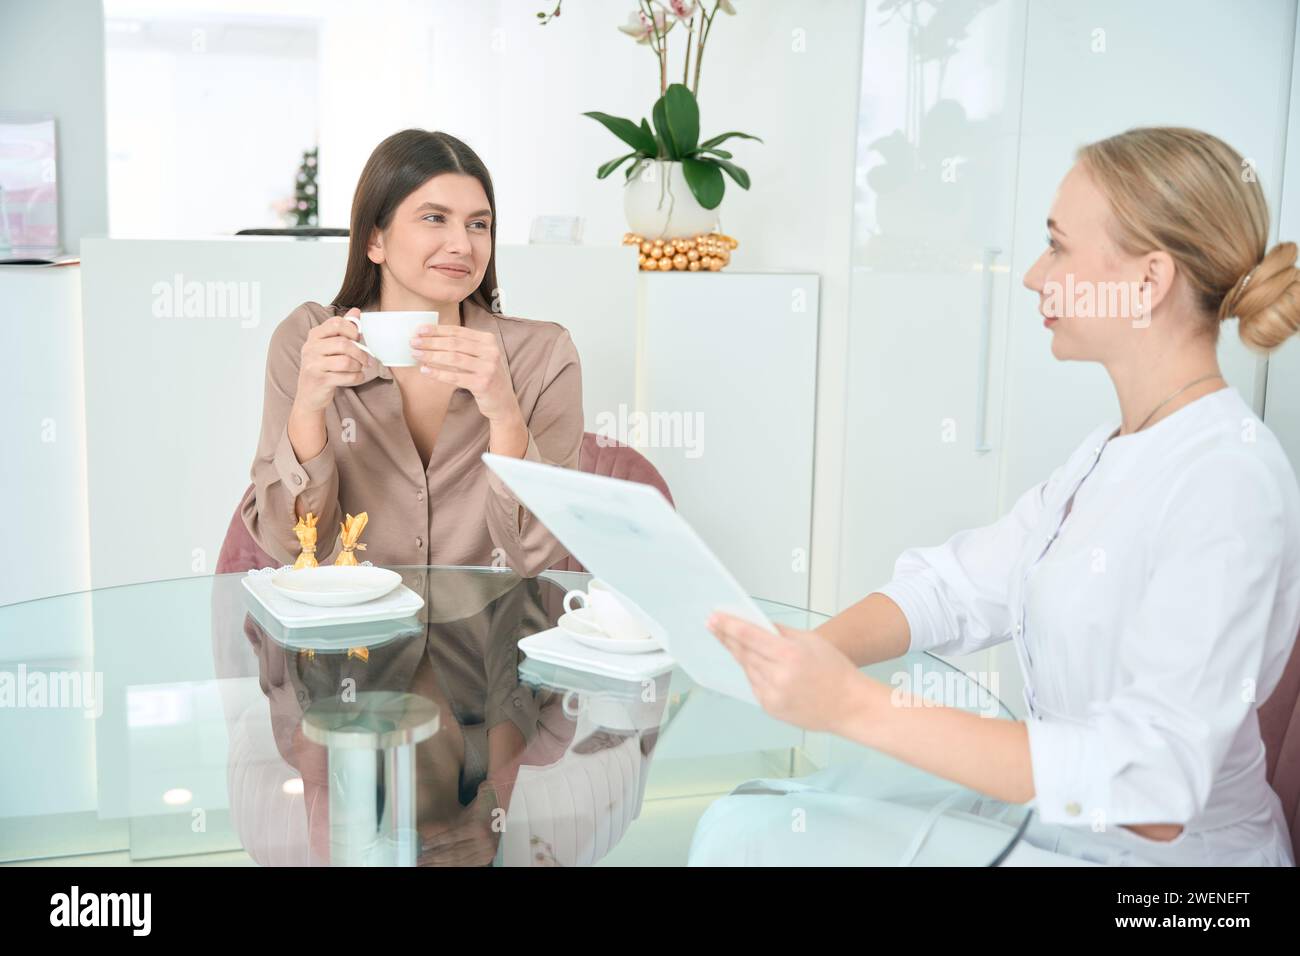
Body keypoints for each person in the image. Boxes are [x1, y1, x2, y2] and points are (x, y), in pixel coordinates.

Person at [702, 126, 1300, 865]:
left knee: (752, 842)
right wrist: (811, 653)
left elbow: (1153, 787)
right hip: (1066, 830)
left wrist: (852, 704)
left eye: (1059, 246)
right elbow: (953, 588)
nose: (1032, 275)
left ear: (1148, 282)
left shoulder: (1228, 481)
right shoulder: (1110, 451)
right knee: (756, 821)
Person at [241, 130, 583, 577]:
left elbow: (531, 555)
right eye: (435, 218)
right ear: (374, 241)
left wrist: (505, 415)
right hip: (345, 637)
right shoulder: (310, 339)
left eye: (479, 224)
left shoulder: (543, 357)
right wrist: (307, 409)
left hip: (489, 640)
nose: (463, 244)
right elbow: (292, 545)